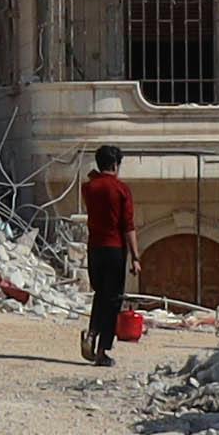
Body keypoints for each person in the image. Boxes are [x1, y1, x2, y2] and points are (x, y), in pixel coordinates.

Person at [78, 145, 133, 364]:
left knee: (100, 295)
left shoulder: (88, 188)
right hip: (115, 249)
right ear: (115, 164)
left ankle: (92, 333)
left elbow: (93, 181)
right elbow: (128, 225)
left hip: (95, 249)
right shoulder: (121, 189)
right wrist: (136, 256)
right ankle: (102, 351)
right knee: (112, 301)